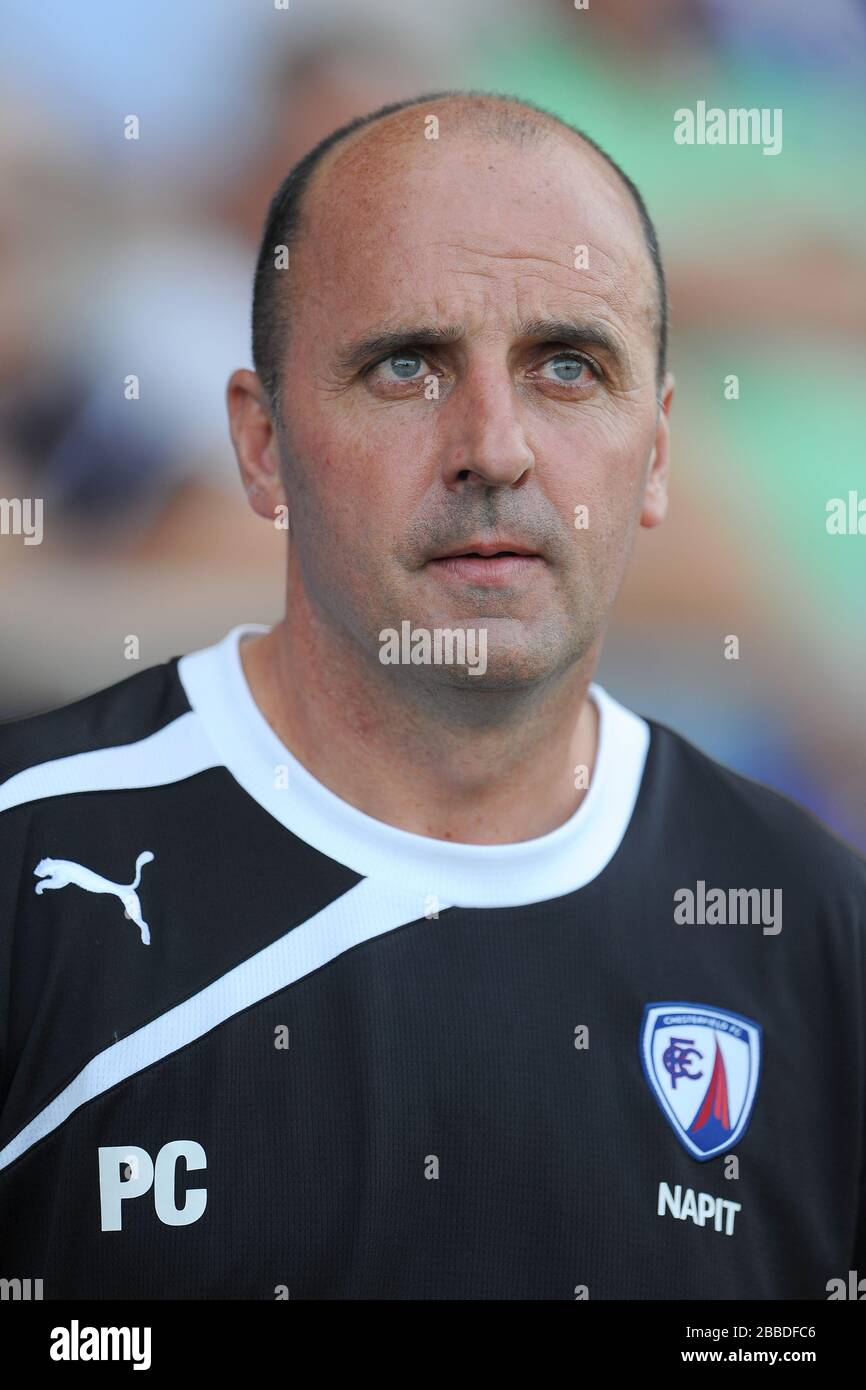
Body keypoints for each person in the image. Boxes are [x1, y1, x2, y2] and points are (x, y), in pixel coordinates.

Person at [0, 90, 863, 1301]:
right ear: (261, 444)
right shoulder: (27, 864)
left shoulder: (816, 929)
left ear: (658, 451)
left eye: (567, 367)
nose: (494, 447)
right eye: (405, 365)